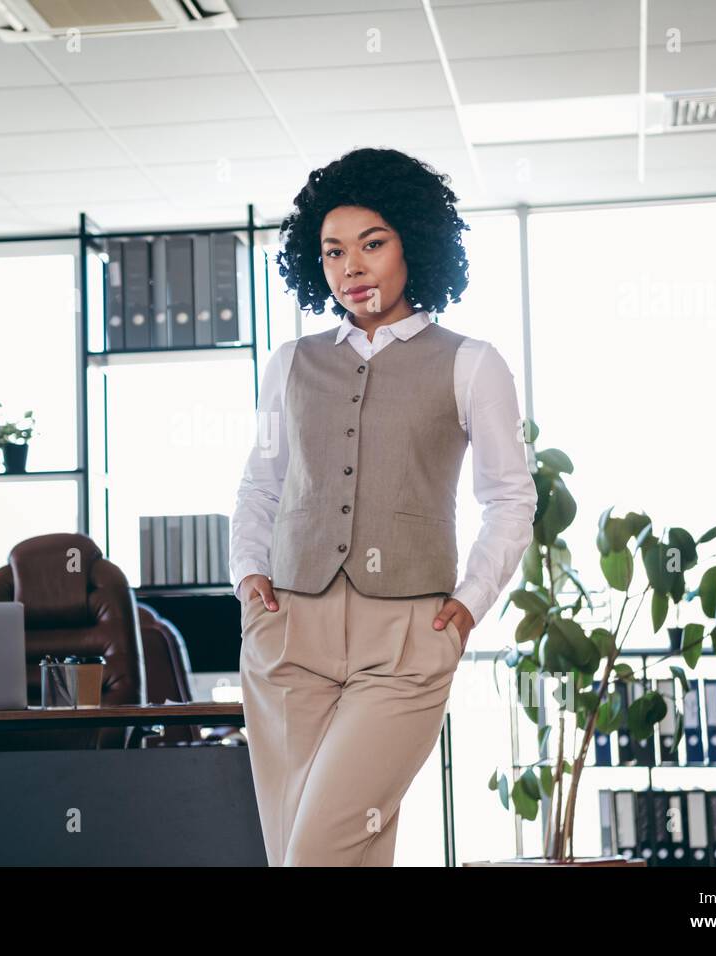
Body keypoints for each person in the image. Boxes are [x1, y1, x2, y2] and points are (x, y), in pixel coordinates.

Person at [229, 147, 537, 866]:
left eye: (372, 244)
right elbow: (261, 484)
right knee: (317, 853)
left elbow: (509, 497)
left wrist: (466, 607)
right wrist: (248, 581)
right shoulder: (290, 364)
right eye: (333, 251)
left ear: (414, 245)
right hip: (286, 637)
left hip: (404, 641)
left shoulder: (471, 363)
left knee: (319, 850)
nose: (351, 268)